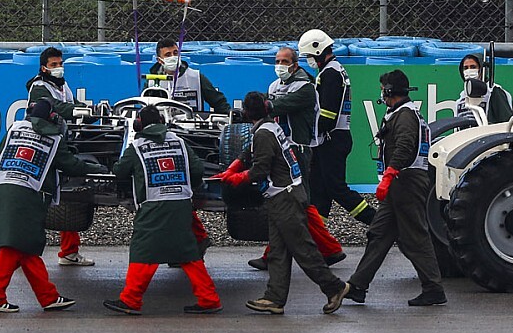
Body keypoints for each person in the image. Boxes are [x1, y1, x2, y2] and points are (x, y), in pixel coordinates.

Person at [213, 92, 348, 316]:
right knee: (277, 251)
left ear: (246, 113)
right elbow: (252, 151)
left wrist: (235, 178)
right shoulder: (271, 127)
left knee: (303, 250)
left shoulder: (264, 134)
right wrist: (235, 165)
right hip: (283, 196)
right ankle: (274, 298)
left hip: (285, 199)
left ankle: (335, 288)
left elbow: (260, 169)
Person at [103, 105, 222, 315]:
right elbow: (197, 170)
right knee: (187, 252)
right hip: (182, 203)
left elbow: (119, 171)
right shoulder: (180, 141)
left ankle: (130, 299)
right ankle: (209, 298)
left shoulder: (137, 146)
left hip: (153, 204)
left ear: (140, 123)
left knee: (143, 250)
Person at [344, 69, 446, 308]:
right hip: (401, 183)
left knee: (415, 238)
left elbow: (405, 146)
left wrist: (389, 175)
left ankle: (433, 288)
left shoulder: (405, 116)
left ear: (390, 91)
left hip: (406, 183)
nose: (381, 93)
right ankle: (358, 285)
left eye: (383, 89)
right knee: (379, 234)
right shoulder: (403, 114)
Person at [0, 97, 96, 313]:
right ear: (52, 117)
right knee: (13, 247)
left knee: (26, 247)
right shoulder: (53, 138)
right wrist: (98, 170)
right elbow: (71, 165)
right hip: (27, 193)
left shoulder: (15, 128)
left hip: (5, 187)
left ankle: (48, 297)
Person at [247, 46, 345, 270]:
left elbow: (277, 106)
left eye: (284, 61)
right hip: (282, 149)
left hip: (298, 149)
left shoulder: (306, 87)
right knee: (294, 202)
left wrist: (257, 106)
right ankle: (328, 249)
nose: (279, 65)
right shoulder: (274, 86)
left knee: (291, 202)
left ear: (295, 64)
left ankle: (319, 250)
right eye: (277, 60)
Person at [147, 37, 233, 255]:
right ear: (159, 58)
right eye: (168, 55)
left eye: (175, 52)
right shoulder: (151, 79)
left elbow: (220, 103)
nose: (173, 58)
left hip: (193, 139)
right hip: (162, 143)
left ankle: (190, 244)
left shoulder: (195, 77)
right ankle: (191, 243)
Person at [298, 29, 375, 227]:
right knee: (319, 190)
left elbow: (328, 116)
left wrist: (310, 131)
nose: (308, 60)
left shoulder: (331, 73)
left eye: (308, 56)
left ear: (318, 51)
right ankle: (317, 233)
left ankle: (378, 223)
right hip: (331, 139)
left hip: (331, 139)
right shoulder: (332, 70)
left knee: (336, 188)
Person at [26, 46, 94, 267]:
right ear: (43, 67)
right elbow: (58, 107)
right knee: (38, 200)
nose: (58, 68)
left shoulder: (63, 85)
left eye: (60, 63)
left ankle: (69, 251)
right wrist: (83, 111)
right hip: (42, 147)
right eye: (54, 65)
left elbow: (71, 106)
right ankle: (23, 252)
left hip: (60, 143)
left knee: (68, 199)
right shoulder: (39, 87)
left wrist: (89, 112)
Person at [455, 53, 513, 124]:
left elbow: (507, 122)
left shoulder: (493, 91)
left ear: (482, 69)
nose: (469, 71)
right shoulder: (462, 97)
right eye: (465, 68)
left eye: (473, 67)